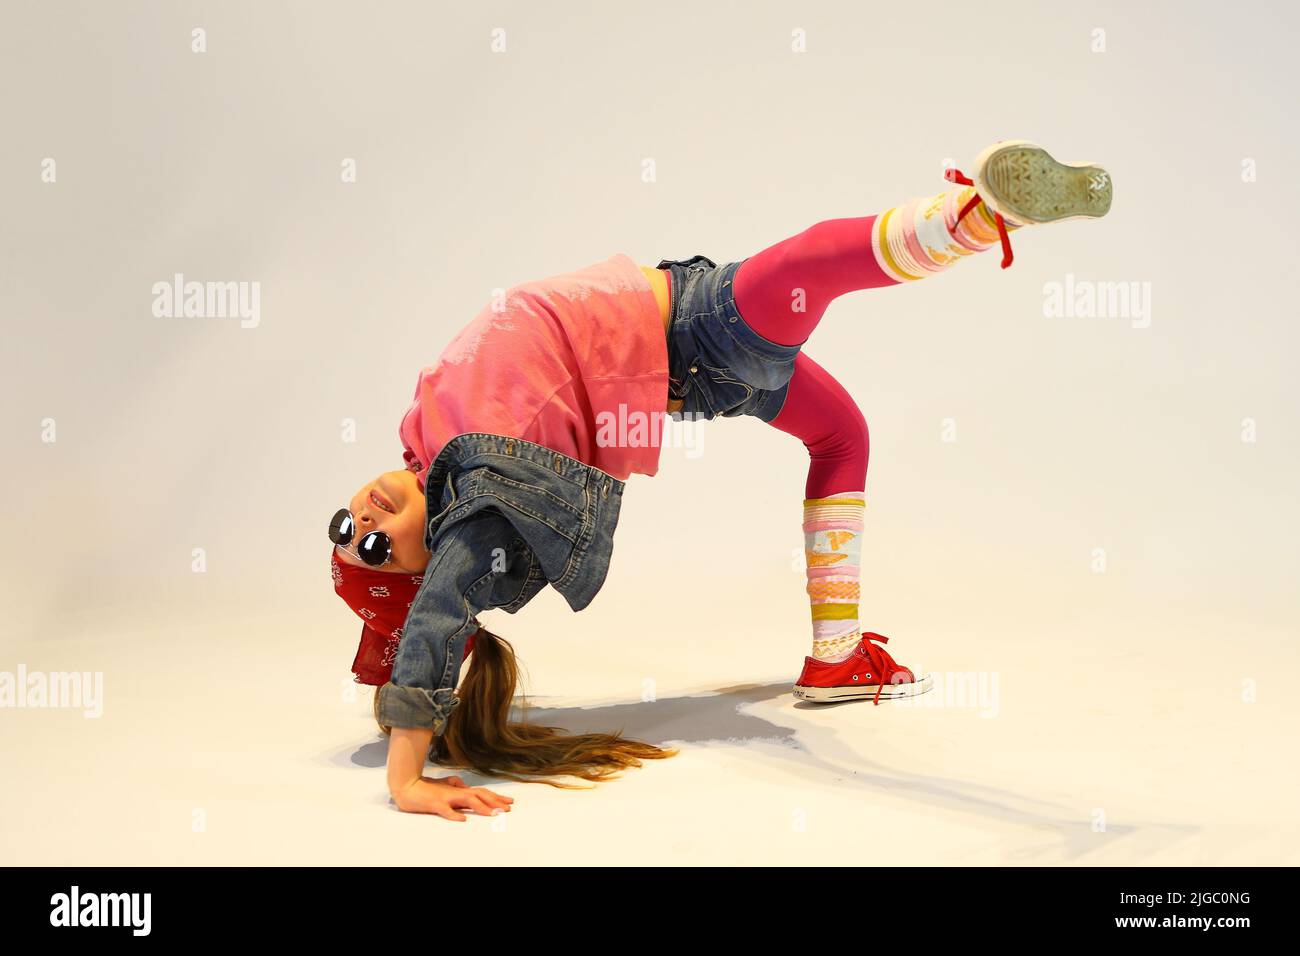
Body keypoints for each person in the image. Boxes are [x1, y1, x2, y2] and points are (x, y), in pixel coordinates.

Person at [328, 140, 1113, 820]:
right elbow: (438, 612)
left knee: (843, 437)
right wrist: (407, 776)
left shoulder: (424, 444)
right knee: (808, 263)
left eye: (344, 527)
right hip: (694, 331)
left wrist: (384, 654)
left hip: (687, 365)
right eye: (376, 546)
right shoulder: (476, 495)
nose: (364, 517)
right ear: (430, 553)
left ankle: (834, 658)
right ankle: (975, 217)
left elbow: (413, 609)